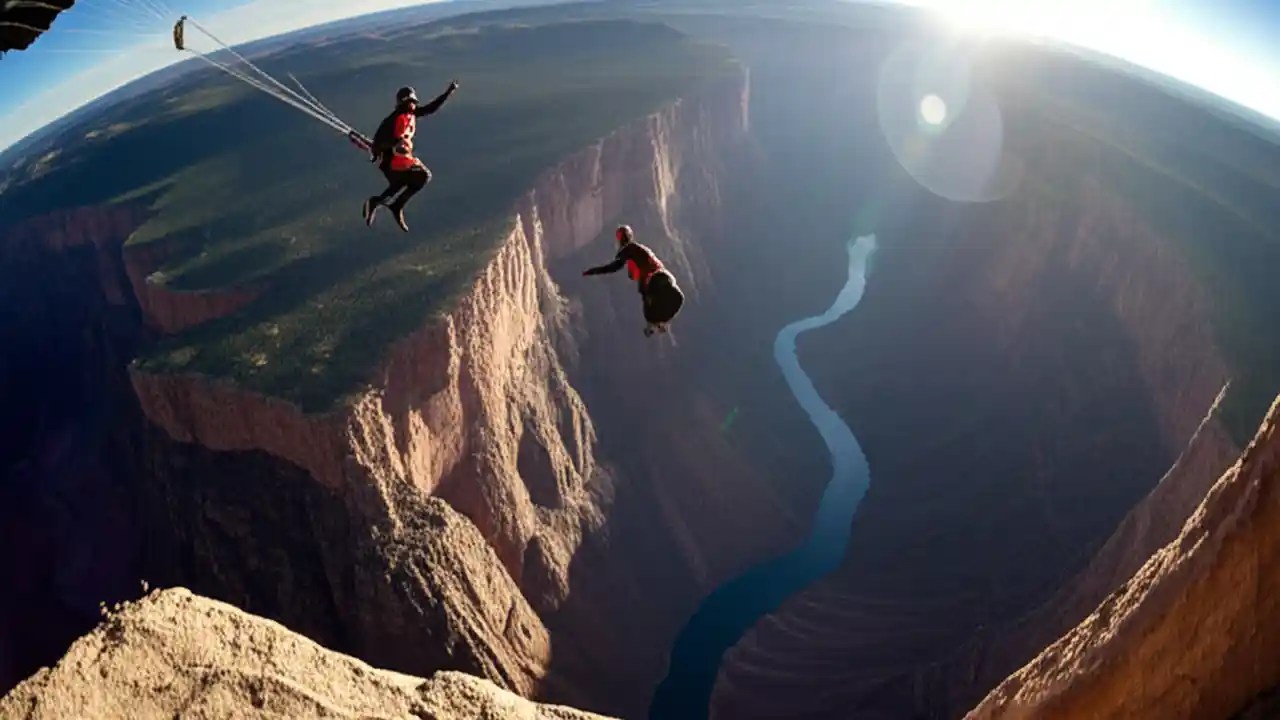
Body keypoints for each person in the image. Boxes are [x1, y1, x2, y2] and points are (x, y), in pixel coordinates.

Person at [363, 80, 459, 232]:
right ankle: (390, 204)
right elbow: (378, 142)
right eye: (410, 102)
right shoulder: (393, 120)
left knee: (414, 179)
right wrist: (393, 145)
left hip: (401, 161)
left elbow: (431, 108)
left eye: (413, 102)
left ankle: (384, 203)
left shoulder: (411, 114)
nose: (413, 105)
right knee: (417, 177)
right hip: (391, 162)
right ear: (403, 104)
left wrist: (448, 92)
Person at [583, 224, 685, 336]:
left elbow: (613, 267)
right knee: (678, 299)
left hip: (656, 279)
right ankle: (658, 322)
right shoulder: (640, 250)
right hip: (667, 277)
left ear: (620, 240)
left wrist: (593, 271)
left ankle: (653, 323)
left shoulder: (628, 249)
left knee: (648, 303)